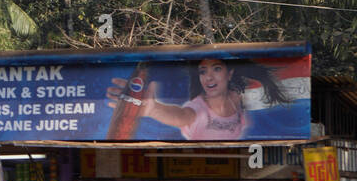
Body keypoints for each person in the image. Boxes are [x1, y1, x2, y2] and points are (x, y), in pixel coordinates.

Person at [106, 57, 291, 141]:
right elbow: (180, 115)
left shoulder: (239, 97)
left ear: (230, 73)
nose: (208, 77)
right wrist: (153, 109)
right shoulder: (197, 111)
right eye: (203, 72)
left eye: (216, 69)